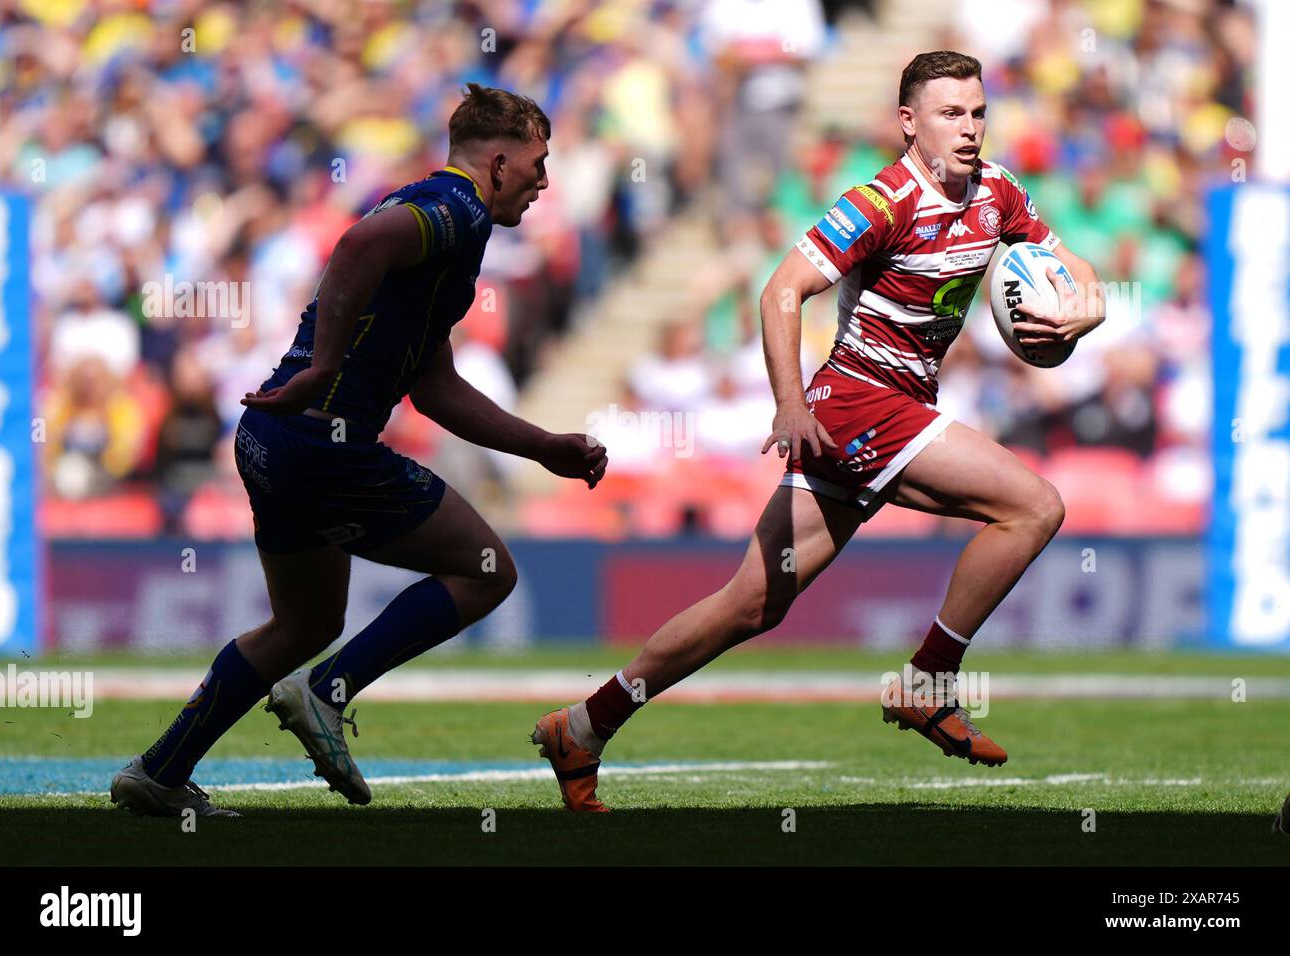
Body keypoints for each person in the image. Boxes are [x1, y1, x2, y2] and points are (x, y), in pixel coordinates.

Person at [532, 51, 1104, 812]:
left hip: (888, 410)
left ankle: (585, 725)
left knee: (751, 605)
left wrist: (1086, 310)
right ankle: (928, 679)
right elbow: (781, 293)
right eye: (949, 114)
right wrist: (789, 404)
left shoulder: (998, 192)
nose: (968, 129)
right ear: (909, 123)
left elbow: (1075, 267)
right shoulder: (881, 201)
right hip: (860, 403)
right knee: (1033, 506)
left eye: (977, 113)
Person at [112, 84, 607, 817]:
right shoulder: (461, 211)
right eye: (538, 164)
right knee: (484, 569)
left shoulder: (437, 222)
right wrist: (324, 365)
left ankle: (159, 771)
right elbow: (359, 243)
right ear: (498, 162)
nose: (543, 182)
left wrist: (542, 447)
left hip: (273, 439)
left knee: (303, 625)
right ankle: (327, 690)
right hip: (325, 437)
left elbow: (436, 388)